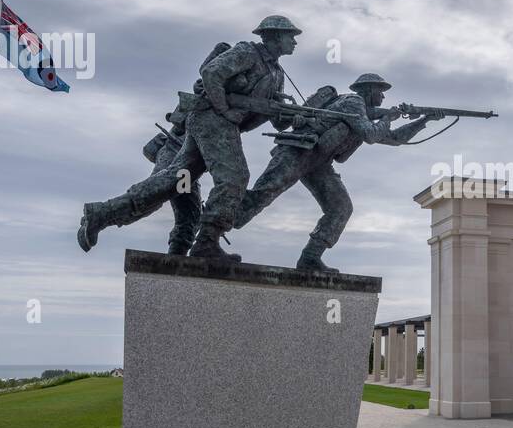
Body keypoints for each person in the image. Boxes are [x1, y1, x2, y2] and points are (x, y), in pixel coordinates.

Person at [76, 17, 300, 260]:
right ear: (275, 36)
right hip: (212, 119)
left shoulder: (277, 73)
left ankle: (101, 213)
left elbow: (276, 119)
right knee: (234, 177)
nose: (295, 42)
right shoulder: (248, 52)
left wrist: (290, 114)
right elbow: (210, 72)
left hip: (218, 124)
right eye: (291, 36)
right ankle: (207, 242)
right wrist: (224, 109)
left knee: (175, 180)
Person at [232, 72, 431, 272]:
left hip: (319, 161)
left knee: (340, 207)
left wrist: (424, 121)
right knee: (261, 196)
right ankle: (210, 232)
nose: (383, 97)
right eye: (381, 92)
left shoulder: (362, 114)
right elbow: (371, 135)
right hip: (298, 151)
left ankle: (310, 257)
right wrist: (387, 117)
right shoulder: (353, 102)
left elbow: (394, 138)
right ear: (369, 90)